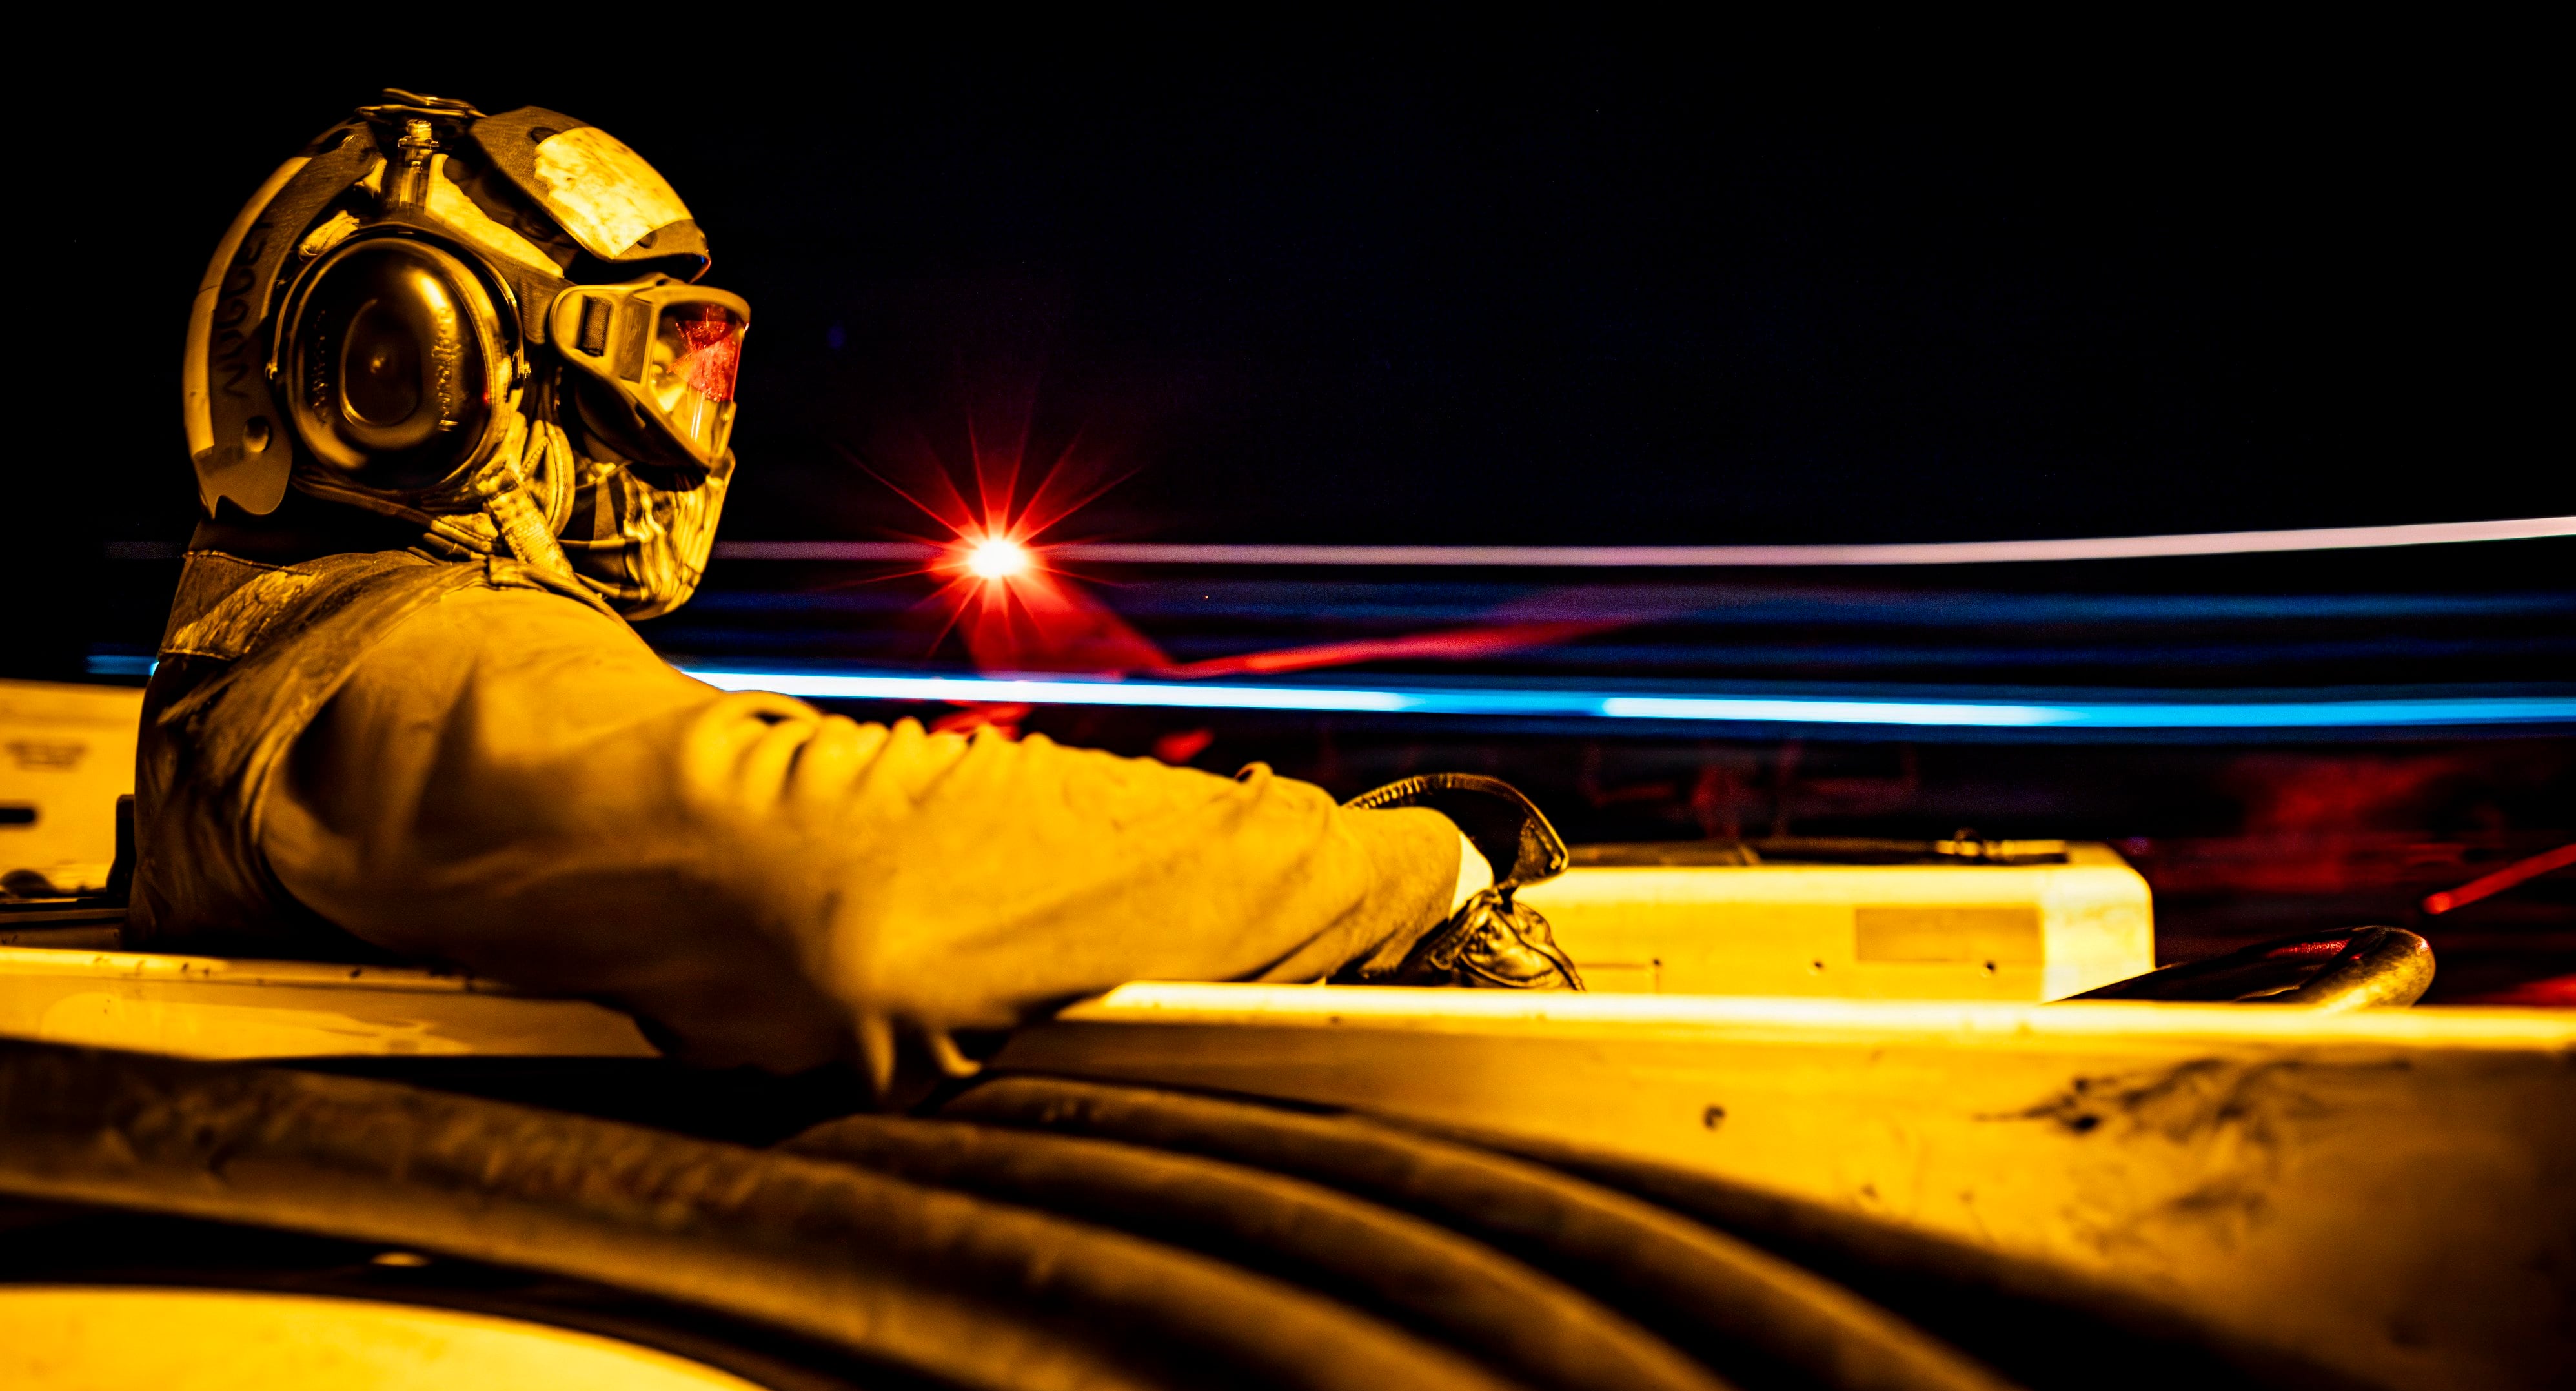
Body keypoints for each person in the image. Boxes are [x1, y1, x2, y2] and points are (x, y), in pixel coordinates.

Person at [133, 90, 1581, 1078]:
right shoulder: (388, 660)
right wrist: (1408, 864)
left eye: (704, 368)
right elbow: (856, 886)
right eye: (651, 359)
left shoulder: (327, 660)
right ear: (410, 371)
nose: (690, 430)